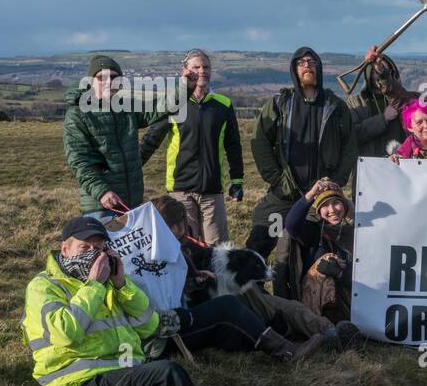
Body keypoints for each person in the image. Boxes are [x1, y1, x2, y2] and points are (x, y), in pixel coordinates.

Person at [23, 216, 323, 386]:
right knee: (166, 373)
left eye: (99, 248)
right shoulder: (44, 286)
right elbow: (65, 333)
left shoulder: (109, 283)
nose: (92, 255)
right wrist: (94, 286)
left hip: (119, 374)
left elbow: (147, 324)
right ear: (65, 249)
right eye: (84, 248)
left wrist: (120, 284)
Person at [150, 195, 358, 350]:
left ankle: (330, 332)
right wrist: (196, 283)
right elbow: (169, 294)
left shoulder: (184, 246)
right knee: (259, 311)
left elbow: (204, 257)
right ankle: (290, 345)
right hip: (192, 319)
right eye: (180, 226)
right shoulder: (150, 256)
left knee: (284, 306)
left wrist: (201, 274)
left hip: (225, 297)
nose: (184, 230)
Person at [247, 47, 357, 266]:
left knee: (315, 250)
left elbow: (350, 146)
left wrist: (337, 180)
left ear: (320, 68)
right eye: (301, 62)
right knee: (258, 246)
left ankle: (315, 294)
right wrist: (277, 179)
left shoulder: (335, 106)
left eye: (312, 62)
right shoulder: (280, 104)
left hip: (322, 198)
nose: (307, 65)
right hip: (285, 194)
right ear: (294, 70)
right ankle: (249, 294)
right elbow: (259, 140)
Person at [139, 49, 244, 243]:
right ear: (184, 71)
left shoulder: (223, 105)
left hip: (212, 191)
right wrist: (132, 168)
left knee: (217, 250)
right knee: (185, 247)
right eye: (196, 67)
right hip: (181, 190)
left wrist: (237, 180)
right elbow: (151, 140)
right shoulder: (174, 104)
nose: (202, 71)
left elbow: (233, 145)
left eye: (206, 67)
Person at [63, 54, 172, 221]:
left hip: (132, 202)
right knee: (103, 248)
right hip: (101, 206)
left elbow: (159, 107)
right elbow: (79, 160)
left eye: (114, 77)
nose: (108, 82)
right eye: (101, 77)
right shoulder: (77, 114)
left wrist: (187, 86)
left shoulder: (125, 107)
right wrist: (102, 191)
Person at [284, 179, 356, 321]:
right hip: (315, 301)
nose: (332, 210)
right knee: (326, 261)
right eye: (325, 206)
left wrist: (340, 274)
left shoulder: (356, 233)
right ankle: (319, 326)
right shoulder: (313, 231)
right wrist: (310, 195)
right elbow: (291, 225)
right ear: (318, 210)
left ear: (344, 204)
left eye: (336, 202)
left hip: (346, 299)